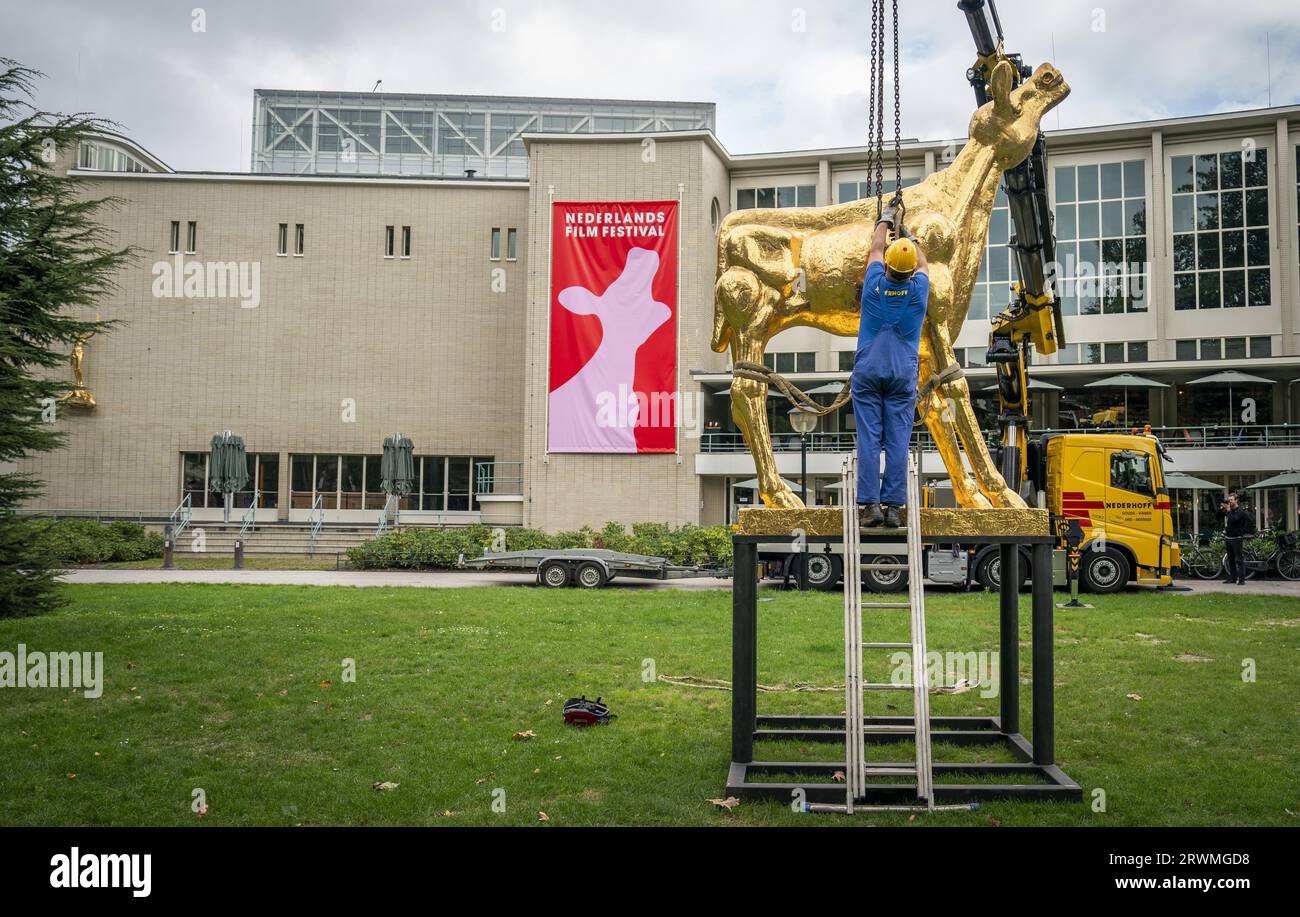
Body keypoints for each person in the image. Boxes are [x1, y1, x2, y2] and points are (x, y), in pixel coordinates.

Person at [853, 198, 929, 528]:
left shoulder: (873, 285)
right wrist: (911, 238)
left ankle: (870, 507)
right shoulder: (918, 290)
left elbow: (874, 249)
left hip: (869, 369)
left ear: (886, 267)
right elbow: (924, 265)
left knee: (870, 438)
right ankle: (894, 508)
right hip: (902, 373)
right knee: (898, 440)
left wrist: (884, 221)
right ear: (909, 272)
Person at [1218, 492, 1256, 585]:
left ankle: (1242, 580)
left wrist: (1228, 511)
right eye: (1229, 500)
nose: (1230, 502)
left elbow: (1234, 520)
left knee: (1239, 559)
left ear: (1236, 500)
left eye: (1231, 500)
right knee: (1230, 560)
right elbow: (1217, 516)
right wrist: (1222, 508)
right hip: (1228, 537)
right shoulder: (1229, 510)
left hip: (1237, 538)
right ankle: (1232, 578)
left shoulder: (1240, 511)